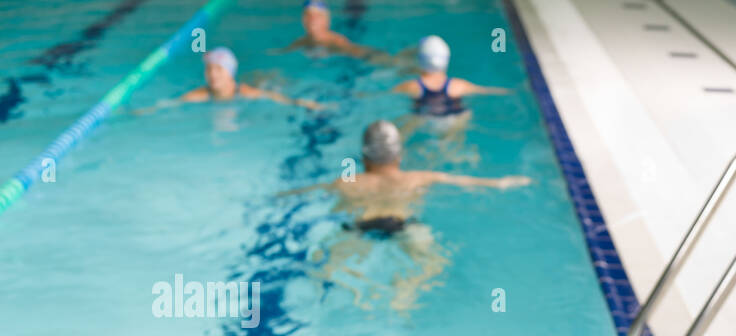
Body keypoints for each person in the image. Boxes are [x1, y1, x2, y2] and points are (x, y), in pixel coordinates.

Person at [287, 120, 530, 312]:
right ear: (399, 157)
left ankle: (354, 294)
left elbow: (302, 194)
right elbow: (474, 182)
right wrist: (505, 182)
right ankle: (403, 296)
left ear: (364, 159)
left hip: (360, 226)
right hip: (404, 225)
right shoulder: (419, 178)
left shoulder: (346, 182)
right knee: (432, 263)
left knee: (323, 266)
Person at [139, 47, 323, 111]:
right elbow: (169, 104)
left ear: (230, 73)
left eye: (219, 70)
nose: (212, 75)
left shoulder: (244, 92)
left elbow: (273, 97)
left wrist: (302, 103)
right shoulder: (201, 94)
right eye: (209, 69)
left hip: (252, 86)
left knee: (270, 83)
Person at [391, 35, 510, 120]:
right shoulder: (458, 85)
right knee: (466, 114)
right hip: (452, 119)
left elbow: (387, 94)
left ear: (420, 61)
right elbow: (486, 91)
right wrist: (509, 91)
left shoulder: (412, 86)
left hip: (424, 119)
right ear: (447, 60)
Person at [274, 1, 388, 62]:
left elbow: (358, 52)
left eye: (317, 16)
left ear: (326, 21)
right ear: (303, 19)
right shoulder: (302, 41)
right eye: (308, 15)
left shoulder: (335, 42)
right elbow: (280, 54)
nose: (312, 20)